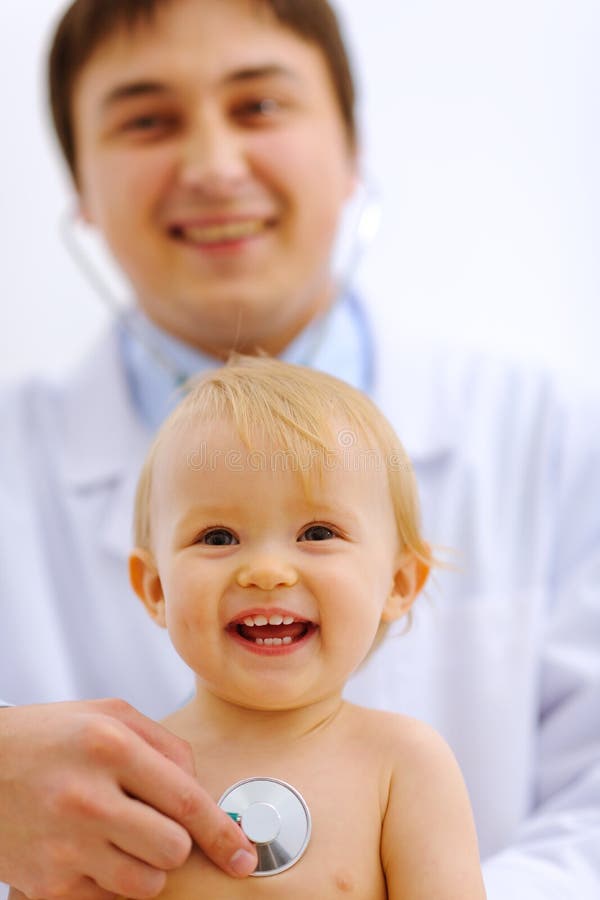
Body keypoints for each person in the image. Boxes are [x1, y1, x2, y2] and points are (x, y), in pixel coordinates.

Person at [0, 0, 598, 898]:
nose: (212, 166)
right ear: (79, 187)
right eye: (147, 120)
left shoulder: (546, 434)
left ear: (353, 148)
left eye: (260, 106)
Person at [10, 356, 485, 900]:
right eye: (217, 538)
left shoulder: (404, 765)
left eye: (317, 531)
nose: (266, 571)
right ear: (156, 588)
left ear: (399, 584)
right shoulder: (120, 777)